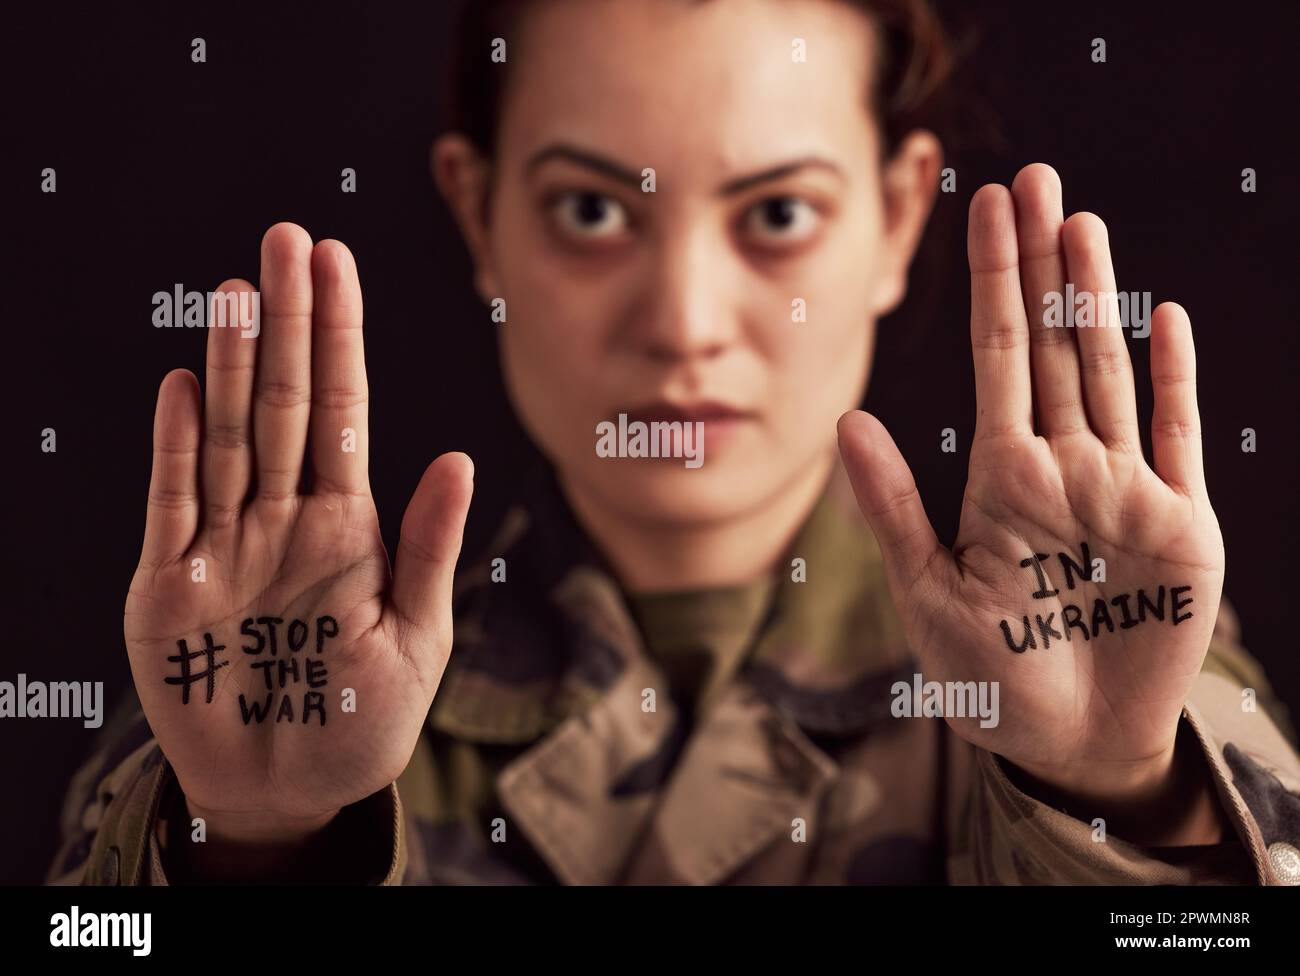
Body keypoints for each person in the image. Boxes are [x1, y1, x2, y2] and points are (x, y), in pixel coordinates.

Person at [48, 0, 1300, 885]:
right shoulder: (252, 698)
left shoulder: (1120, 674)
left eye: (777, 214)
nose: (683, 324)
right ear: (480, 214)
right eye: (592, 210)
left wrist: (1118, 794)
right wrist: (259, 842)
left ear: (896, 214)